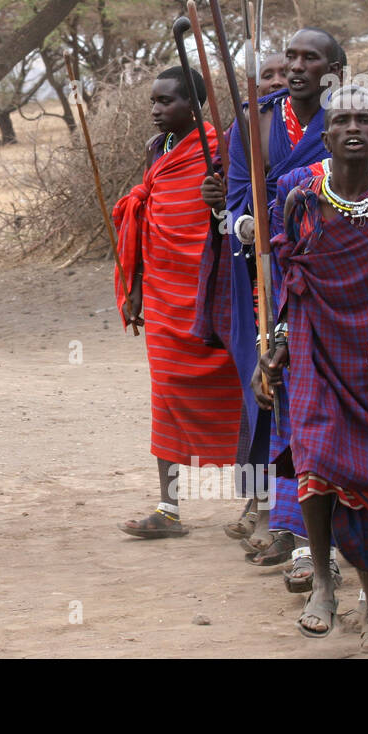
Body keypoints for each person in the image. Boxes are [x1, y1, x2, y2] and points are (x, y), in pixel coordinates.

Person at [255, 89, 368, 653]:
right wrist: (277, 340)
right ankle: (324, 590)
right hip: (314, 348)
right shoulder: (299, 199)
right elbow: (286, 280)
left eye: (365, 120)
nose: (353, 128)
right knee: (314, 458)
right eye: (341, 121)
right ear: (325, 136)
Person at [194, 28, 345, 565]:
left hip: (330, 280)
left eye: (310, 59)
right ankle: (281, 516)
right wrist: (248, 225)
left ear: (334, 71)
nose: (297, 67)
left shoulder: (349, 118)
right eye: (292, 58)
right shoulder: (253, 122)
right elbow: (237, 194)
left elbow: (367, 188)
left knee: (319, 395)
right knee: (269, 389)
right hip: (263, 276)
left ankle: (324, 523)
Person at [111, 67, 243, 537]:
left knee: (241, 394)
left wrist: (220, 199)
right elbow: (148, 219)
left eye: (166, 101)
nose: (155, 110)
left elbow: (234, 213)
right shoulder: (156, 150)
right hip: (163, 293)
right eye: (153, 101)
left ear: (194, 106)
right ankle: (169, 509)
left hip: (210, 291)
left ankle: (257, 506)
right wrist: (134, 287)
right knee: (165, 394)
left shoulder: (220, 147)